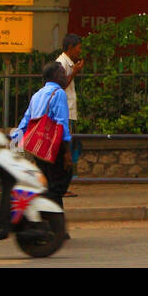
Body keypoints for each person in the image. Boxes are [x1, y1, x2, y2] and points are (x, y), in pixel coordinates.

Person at [14, 61, 74, 205]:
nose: (65, 76)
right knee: (58, 185)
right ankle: (54, 218)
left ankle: (45, 216)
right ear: (54, 75)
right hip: (54, 146)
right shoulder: (59, 93)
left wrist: (15, 141)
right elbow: (62, 124)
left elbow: (26, 120)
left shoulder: (37, 95)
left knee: (46, 183)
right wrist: (67, 152)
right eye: (62, 73)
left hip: (38, 148)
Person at [55, 33, 83, 196]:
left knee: (69, 148)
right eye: (78, 48)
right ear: (71, 48)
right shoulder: (61, 63)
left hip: (69, 111)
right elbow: (60, 85)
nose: (79, 52)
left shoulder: (68, 63)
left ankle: (63, 185)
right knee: (65, 149)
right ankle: (61, 186)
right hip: (64, 112)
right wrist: (75, 72)